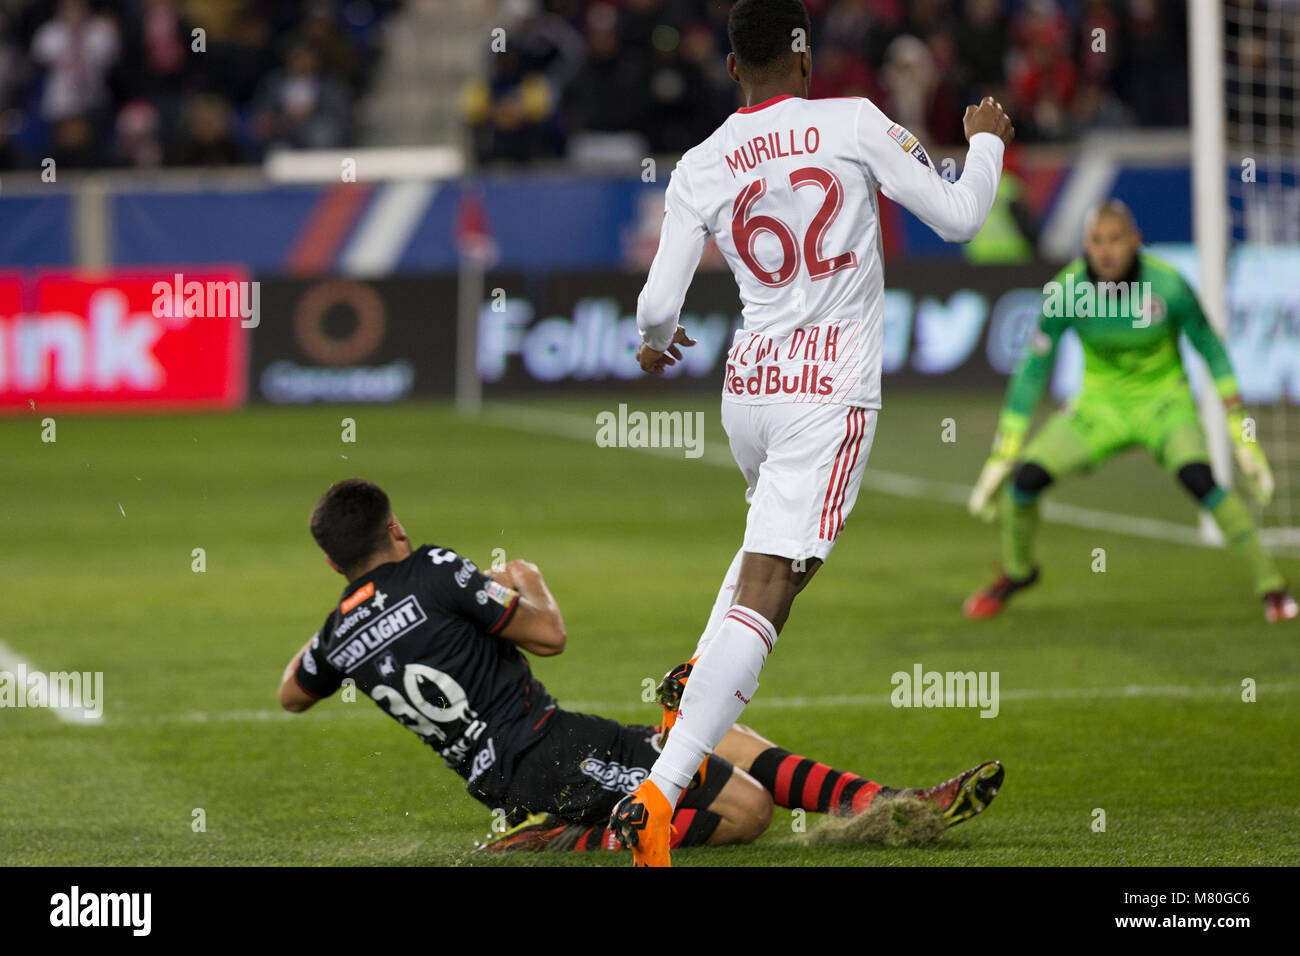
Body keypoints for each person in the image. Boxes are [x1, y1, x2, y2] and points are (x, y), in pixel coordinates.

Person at [619, 0, 1014, 865]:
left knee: (768, 553)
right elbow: (959, 218)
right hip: (826, 392)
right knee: (777, 580)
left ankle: (693, 687)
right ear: (806, 62)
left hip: (749, 390)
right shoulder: (851, 121)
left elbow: (655, 307)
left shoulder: (701, 161)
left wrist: (655, 347)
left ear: (732, 70)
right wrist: (985, 141)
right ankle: (659, 791)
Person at [278, 479, 1005, 856]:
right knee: (746, 812)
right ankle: (557, 836)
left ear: (331, 562)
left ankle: (892, 803)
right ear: (396, 528)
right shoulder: (432, 567)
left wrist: (343, 628)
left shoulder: (336, 635)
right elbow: (550, 636)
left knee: (716, 729)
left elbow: (292, 693)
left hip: (539, 753)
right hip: (541, 757)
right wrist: (526, 576)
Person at [964, 200, 1297, 623]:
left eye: (1115, 240)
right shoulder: (1066, 291)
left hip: (1164, 405)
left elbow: (1212, 350)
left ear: (1135, 241)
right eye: (1096, 241)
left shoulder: (1169, 286)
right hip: (1098, 409)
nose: (1106, 250)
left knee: (1200, 480)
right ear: (1085, 244)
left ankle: (1272, 587)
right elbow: (1033, 368)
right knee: (1025, 481)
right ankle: (1018, 573)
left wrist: (1241, 434)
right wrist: (1005, 449)